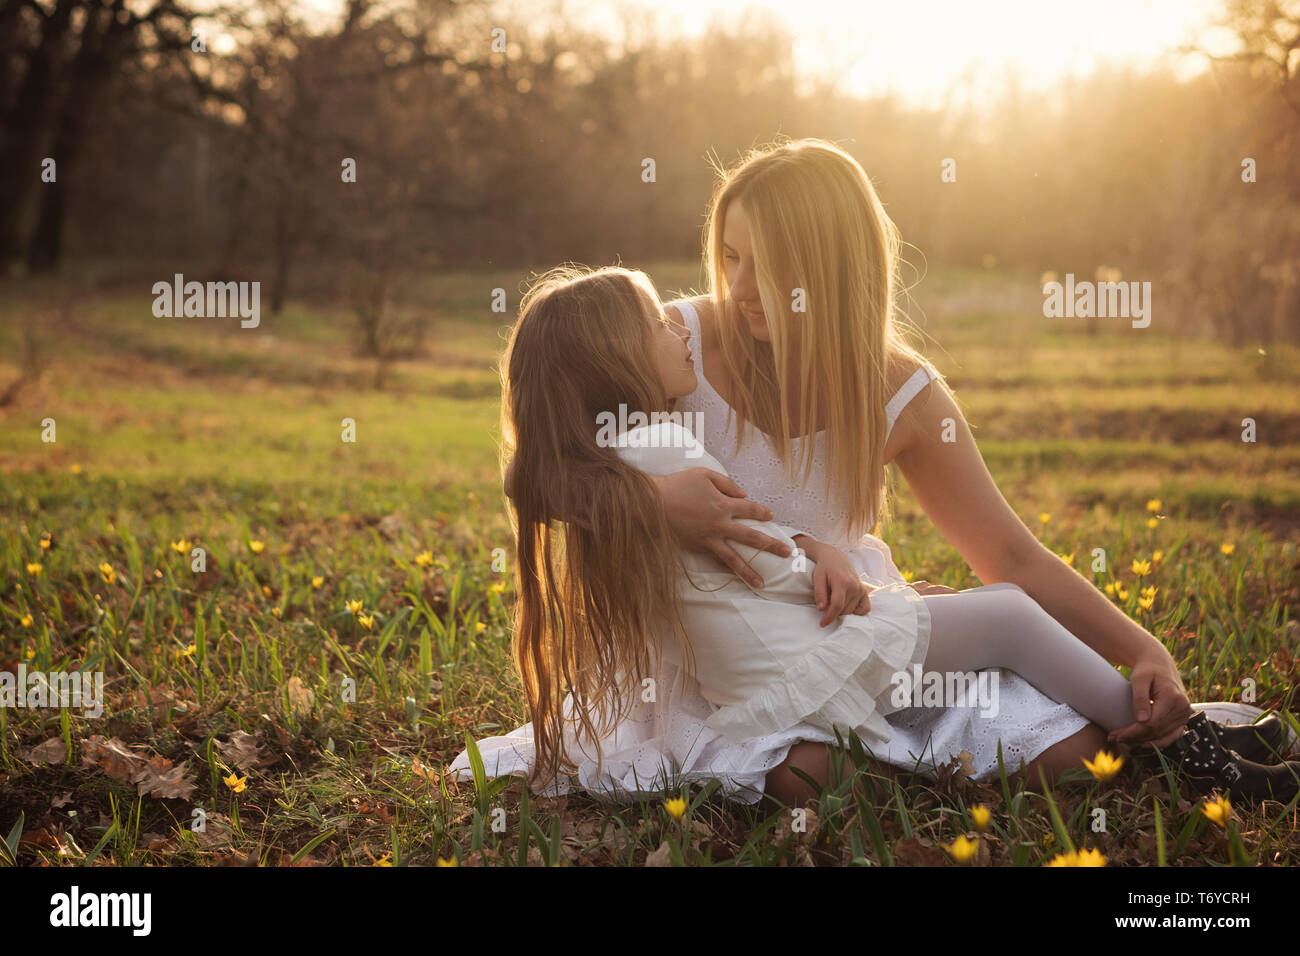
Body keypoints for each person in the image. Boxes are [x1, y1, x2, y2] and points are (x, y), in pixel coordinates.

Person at [446, 261, 1299, 807]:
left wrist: (819, 552)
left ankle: (1183, 723)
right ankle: (1191, 747)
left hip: (782, 654)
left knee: (1021, 674)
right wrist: (664, 508)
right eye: (730, 254)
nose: (693, 313)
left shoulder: (636, 426)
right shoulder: (661, 424)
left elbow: (1007, 550)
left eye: (767, 259)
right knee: (1001, 618)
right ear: (622, 357)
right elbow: (554, 481)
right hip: (802, 652)